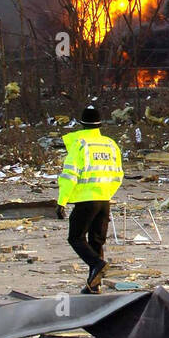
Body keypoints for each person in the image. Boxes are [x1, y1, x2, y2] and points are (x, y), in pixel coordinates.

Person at [57, 106, 123, 293]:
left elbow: (70, 175)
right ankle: (94, 285)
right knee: (96, 242)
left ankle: (97, 264)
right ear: (100, 123)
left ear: (81, 123)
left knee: (76, 237)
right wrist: (107, 192)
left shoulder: (80, 144)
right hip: (104, 199)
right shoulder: (110, 145)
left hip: (86, 199)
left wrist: (62, 201)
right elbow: (119, 174)